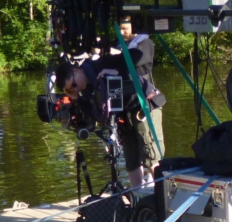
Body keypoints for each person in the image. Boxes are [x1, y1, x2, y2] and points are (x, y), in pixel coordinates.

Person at [52, 16, 165, 187]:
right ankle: (136, 199)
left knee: (151, 156)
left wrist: (113, 69)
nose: (75, 89)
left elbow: (132, 59)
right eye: (70, 89)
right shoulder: (87, 88)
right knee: (132, 160)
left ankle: (162, 201)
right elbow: (97, 115)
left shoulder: (139, 46)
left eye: (74, 85)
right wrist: (77, 99)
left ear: (77, 70)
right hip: (124, 115)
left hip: (143, 106)